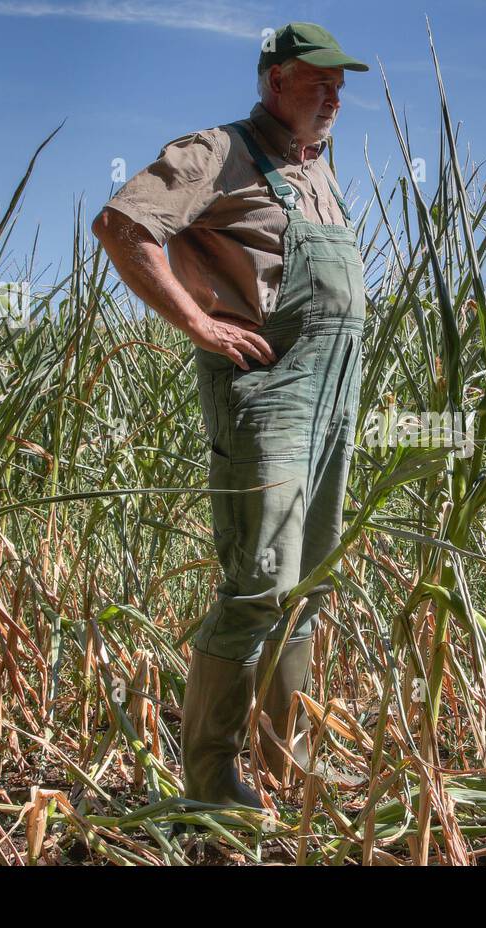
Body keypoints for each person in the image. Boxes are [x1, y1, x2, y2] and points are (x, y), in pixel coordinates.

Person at [91, 22, 369, 808]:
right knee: (256, 586)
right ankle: (211, 782)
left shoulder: (315, 169)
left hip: (331, 403)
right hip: (268, 400)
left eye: (340, 84)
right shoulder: (219, 151)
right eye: (318, 81)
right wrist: (198, 324)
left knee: (308, 586)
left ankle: (287, 762)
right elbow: (123, 226)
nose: (334, 96)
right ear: (275, 79)